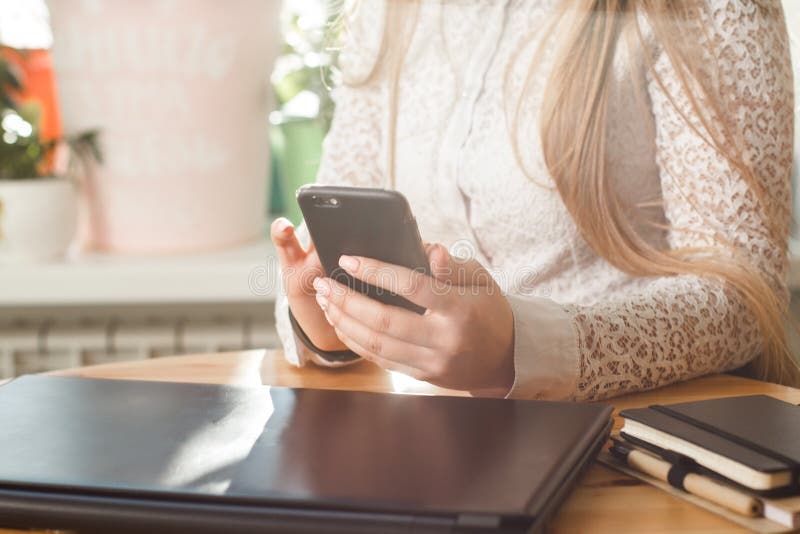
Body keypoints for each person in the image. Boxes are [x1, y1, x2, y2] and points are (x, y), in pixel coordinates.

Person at [271, 0, 798, 400]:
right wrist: (329, 322)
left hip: (637, 438)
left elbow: (745, 298)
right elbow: (334, 222)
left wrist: (523, 346)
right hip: (436, 440)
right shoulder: (389, 11)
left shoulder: (705, 9)